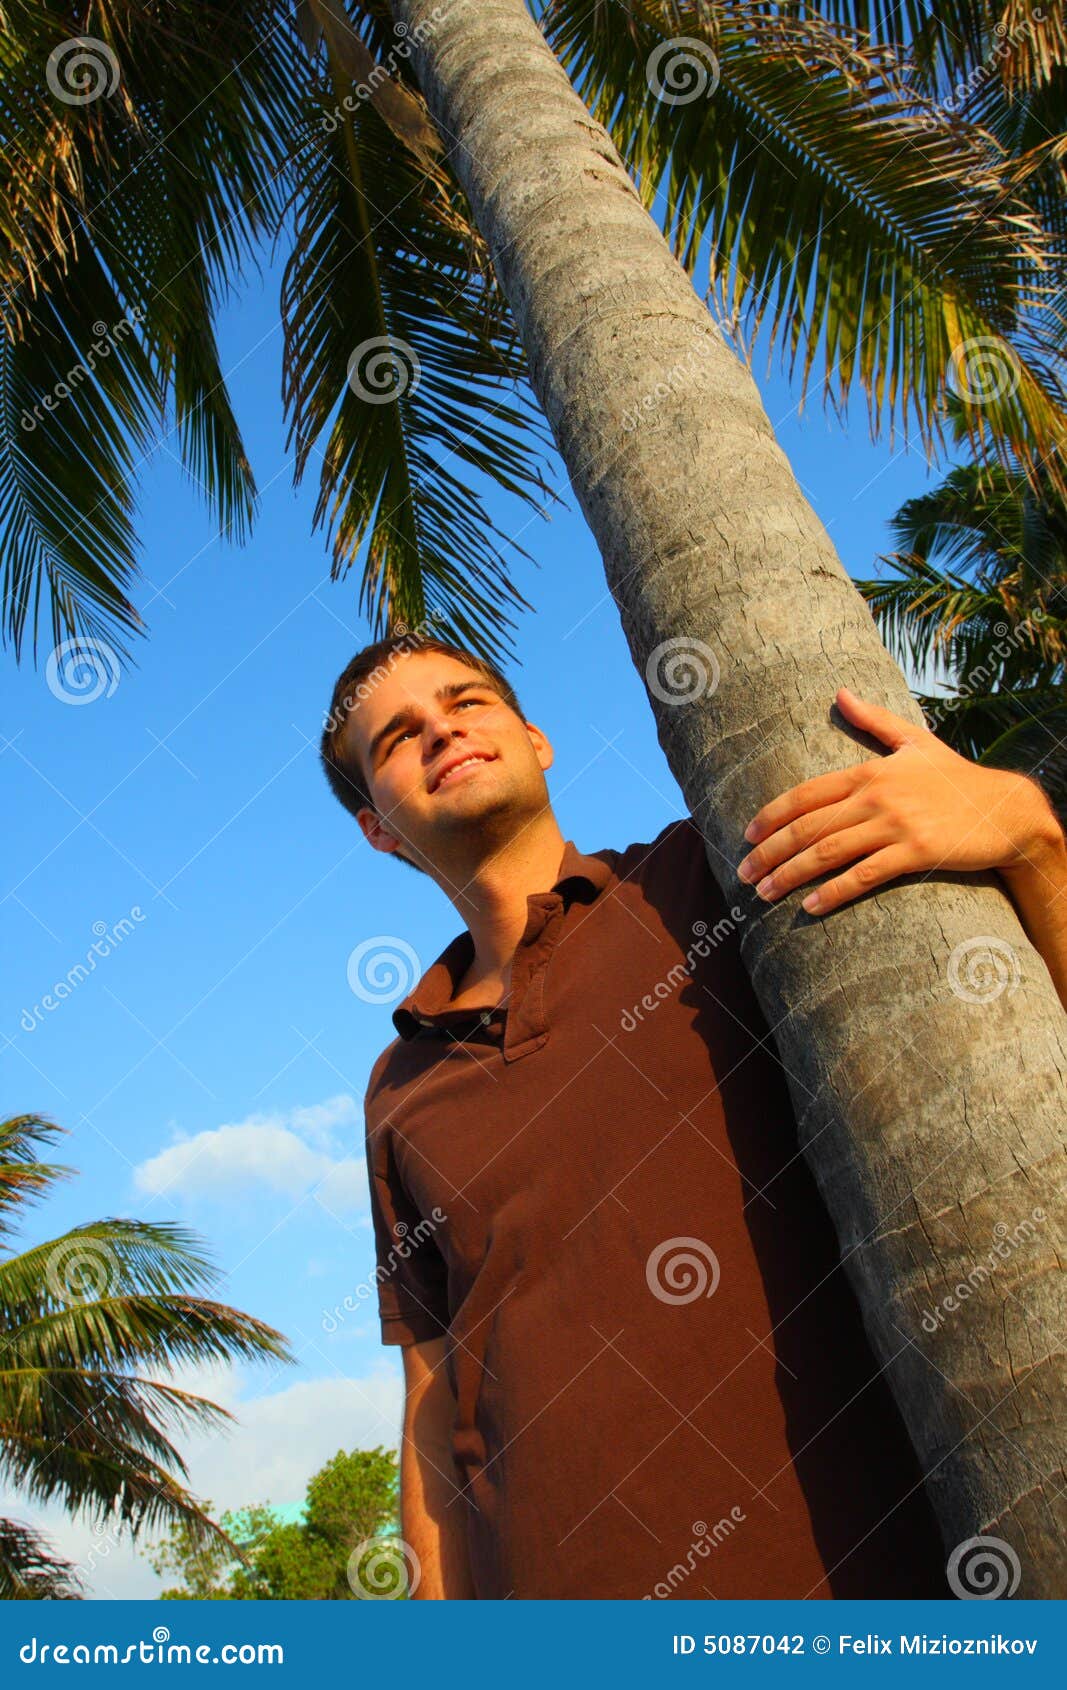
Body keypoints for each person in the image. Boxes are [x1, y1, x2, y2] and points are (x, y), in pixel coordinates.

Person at [319, 634, 1067, 1600]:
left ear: (536, 740)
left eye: (466, 701)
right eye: (396, 740)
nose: (441, 730)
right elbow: (431, 1387)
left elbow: (1022, 1074)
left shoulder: (714, 875)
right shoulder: (399, 1080)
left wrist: (1031, 836)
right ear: (378, 828)